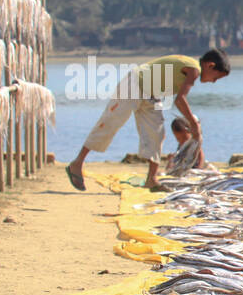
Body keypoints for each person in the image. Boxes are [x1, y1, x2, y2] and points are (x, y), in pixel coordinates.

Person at [66, 49, 229, 191]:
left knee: (157, 132)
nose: (213, 82)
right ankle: (77, 163)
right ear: (210, 66)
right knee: (110, 122)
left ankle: (151, 179)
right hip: (135, 84)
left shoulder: (192, 67)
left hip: (152, 95)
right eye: (216, 78)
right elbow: (180, 100)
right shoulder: (193, 69)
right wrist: (194, 125)